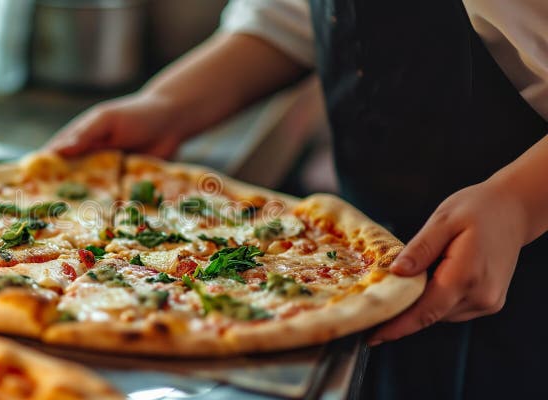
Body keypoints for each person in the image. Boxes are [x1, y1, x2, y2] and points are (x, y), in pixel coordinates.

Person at [46, 0, 548, 398]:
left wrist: (519, 202)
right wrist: (168, 105)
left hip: (524, 275)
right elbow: (297, 14)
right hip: (365, 246)